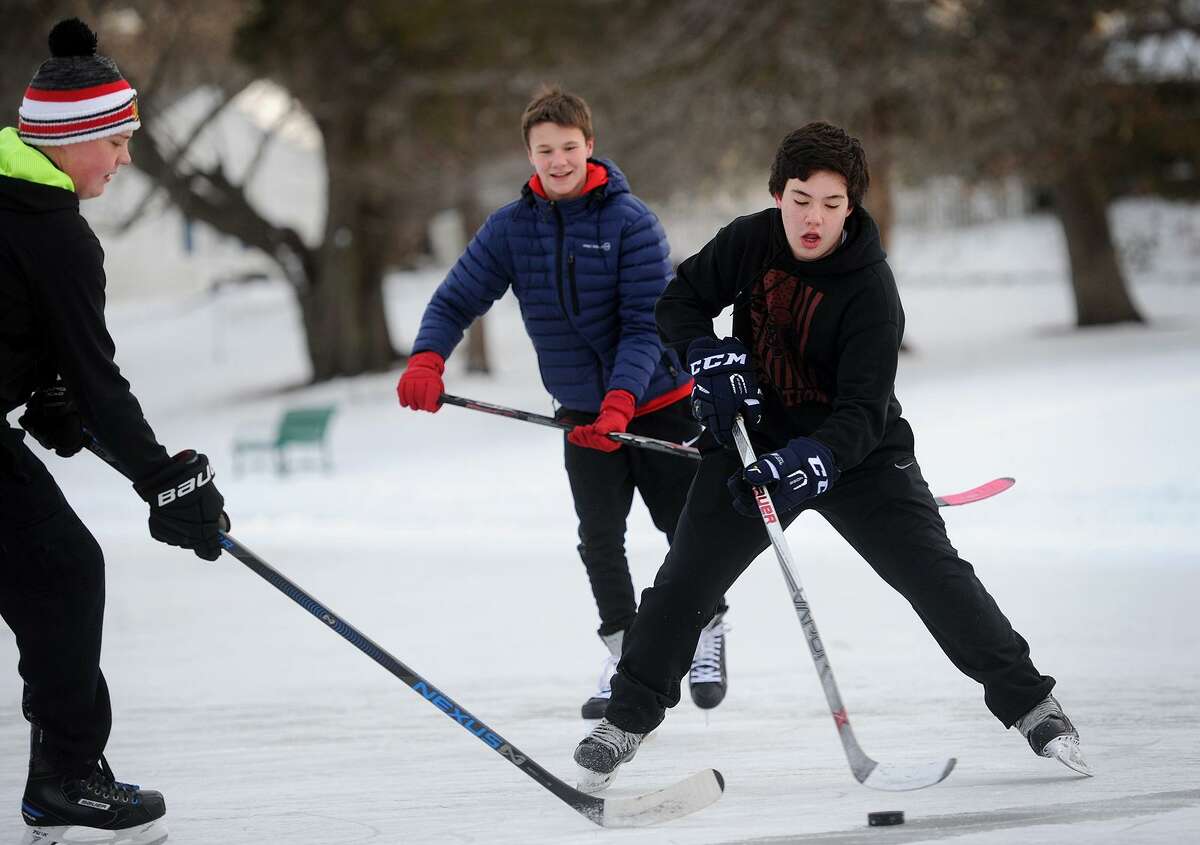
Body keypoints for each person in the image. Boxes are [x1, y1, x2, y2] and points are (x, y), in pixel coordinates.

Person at [573, 122, 1088, 791]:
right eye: (799, 198)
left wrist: (814, 460)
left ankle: (1034, 707)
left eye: (831, 202)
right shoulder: (750, 240)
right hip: (753, 440)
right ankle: (624, 721)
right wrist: (708, 357)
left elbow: (864, 411)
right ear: (777, 193)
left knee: (933, 573)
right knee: (685, 580)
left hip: (860, 454)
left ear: (852, 206)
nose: (812, 217)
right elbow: (680, 302)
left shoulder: (871, 289)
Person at [396, 86, 731, 719]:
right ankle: (628, 657)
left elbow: (645, 326)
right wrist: (427, 357)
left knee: (683, 532)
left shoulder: (632, 223)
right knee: (600, 538)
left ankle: (707, 628)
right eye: (545, 150)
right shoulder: (510, 228)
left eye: (569, 148)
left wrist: (621, 404)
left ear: (590, 146)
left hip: (657, 401)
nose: (558, 160)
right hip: (582, 412)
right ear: (529, 153)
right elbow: (456, 298)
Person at [1, 18, 228, 840]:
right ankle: (64, 777)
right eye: (117, 141)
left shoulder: (14, 198)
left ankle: (61, 777)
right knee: (61, 573)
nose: (126, 160)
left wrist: (35, 386)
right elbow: (99, 381)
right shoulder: (53, 231)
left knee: (54, 571)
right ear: (70, 140)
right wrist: (167, 478)